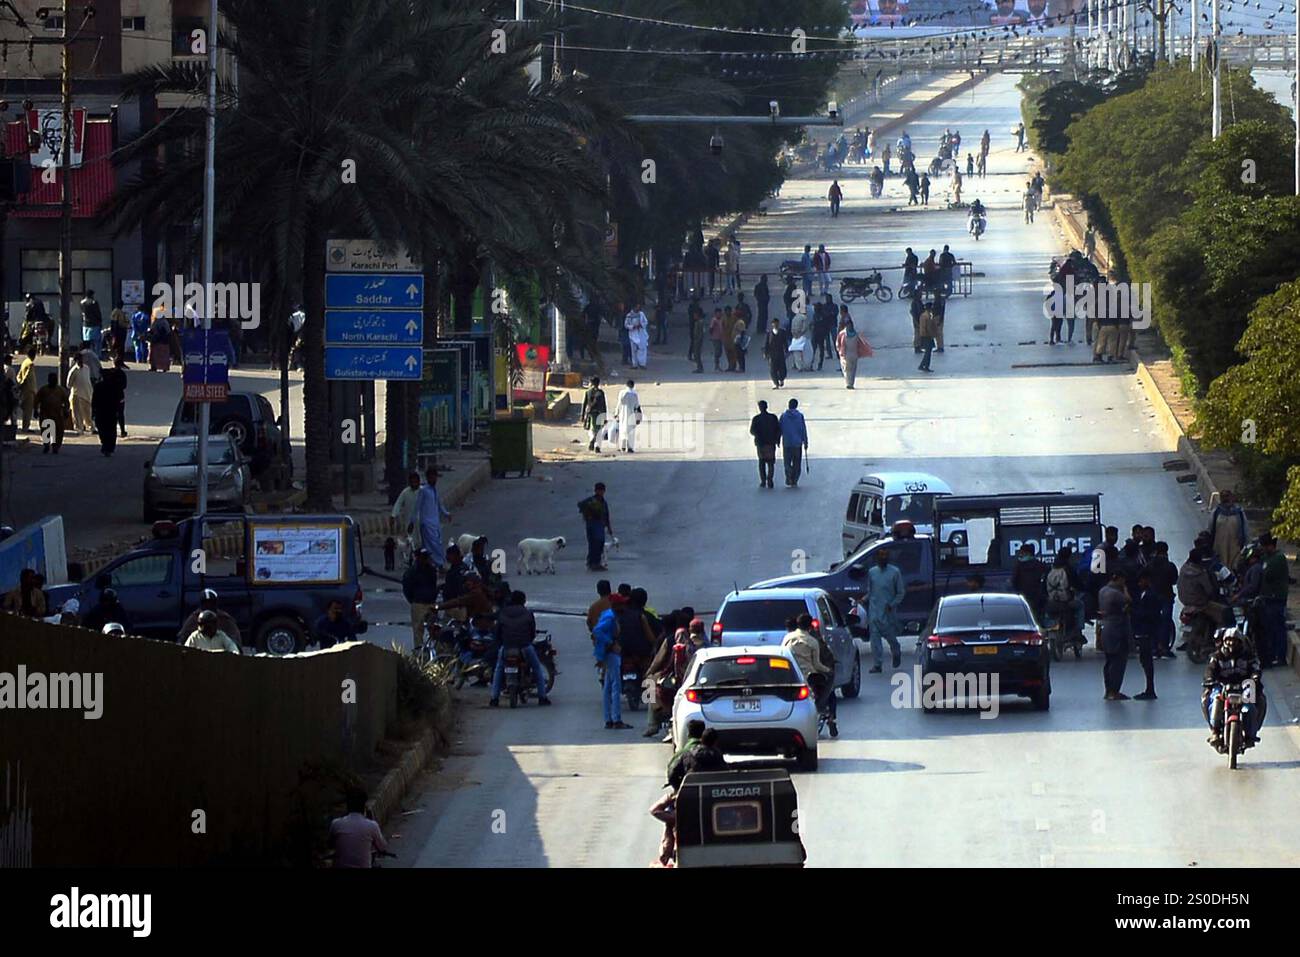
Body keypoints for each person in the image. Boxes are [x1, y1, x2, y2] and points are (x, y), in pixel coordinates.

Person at [1202, 628, 1266, 749]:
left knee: (1251, 706)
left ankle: (1250, 735)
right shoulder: (1216, 657)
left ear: (1240, 642)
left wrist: (1255, 678)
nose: (1231, 643)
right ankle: (1215, 732)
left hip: (1244, 686)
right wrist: (1210, 680)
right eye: (1229, 640)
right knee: (1213, 699)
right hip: (1222, 686)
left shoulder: (1248, 656)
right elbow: (1209, 671)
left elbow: (1256, 669)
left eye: (1235, 640)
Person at [489, 590, 550, 707]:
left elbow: (497, 632)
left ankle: (494, 698)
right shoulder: (528, 613)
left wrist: (501, 643)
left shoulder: (503, 613)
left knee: (499, 669)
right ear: (524, 601)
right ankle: (542, 697)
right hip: (525, 646)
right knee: (537, 668)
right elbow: (532, 632)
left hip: (507, 646)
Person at [782, 614, 837, 736]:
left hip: (791, 676)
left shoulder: (787, 638)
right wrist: (828, 670)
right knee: (831, 691)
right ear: (810, 626)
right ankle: (831, 718)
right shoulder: (813, 641)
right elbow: (817, 664)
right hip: (810, 676)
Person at [592, 595, 631, 729]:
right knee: (616, 686)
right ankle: (616, 719)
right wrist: (611, 643)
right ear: (616, 606)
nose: (624, 607)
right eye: (622, 604)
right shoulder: (610, 617)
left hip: (607, 653)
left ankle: (608, 718)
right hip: (610, 652)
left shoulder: (608, 614)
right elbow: (597, 631)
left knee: (608, 686)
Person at [862, 549, 903, 672]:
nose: (883, 557)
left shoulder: (895, 572)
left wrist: (892, 604)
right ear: (877, 558)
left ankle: (896, 652)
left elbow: (900, 592)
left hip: (887, 613)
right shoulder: (872, 572)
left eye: (885, 555)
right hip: (874, 612)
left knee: (891, 638)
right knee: (875, 640)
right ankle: (877, 664)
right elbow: (871, 591)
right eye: (881, 555)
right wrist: (863, 599)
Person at [329, 788, 389, 868]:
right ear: (364, 806)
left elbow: (331, 844)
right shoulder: (371, 826)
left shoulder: (336, 824)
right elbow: (382, 847)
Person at [1098, 571, 1131, 700]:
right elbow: (1129, 600)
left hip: (1106, 627)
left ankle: (1108, 690)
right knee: (1119, 661)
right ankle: (1114, 690)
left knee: (1109, 661)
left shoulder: (1102, 591)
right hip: (1117, 629)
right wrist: (1125, 589)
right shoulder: (1116, 594)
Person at [1258, 534, 1290, 667]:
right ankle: (1271, 655)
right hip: (1268, 598)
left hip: (1276, 598)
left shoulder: (1278, 559)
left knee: (1277, 628)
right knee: (1270, 628)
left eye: (1264, 546)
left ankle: (1280, 656)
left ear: (1270, 545)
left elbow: (1267, 574)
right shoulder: (1267, 558)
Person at [1130, 570, 1161, 700]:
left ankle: (1150, 689)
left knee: (1147, 661)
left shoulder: (1151, 596)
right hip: (1143, 631)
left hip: (1146, 632)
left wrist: (1135, 612)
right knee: (1145, 661)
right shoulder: (1142, 594)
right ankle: (1149, 688)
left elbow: (1152, 615)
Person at [403, 548, 440, 648]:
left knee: (434, 628)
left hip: (431, 603)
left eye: (427, 557)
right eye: (424, 557)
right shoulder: (411, 572)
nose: (426, 559)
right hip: (418, 603)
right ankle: (419, 652)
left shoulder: (432, 570)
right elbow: (407, 589)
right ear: (418, 558)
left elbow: (433, 585)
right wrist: (414, 600)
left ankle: (435, 649)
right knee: (418, 629)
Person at [416, 466, 451, 565]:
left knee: (437, 543)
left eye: (435, 477)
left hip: (435, 523)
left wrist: (446, 514)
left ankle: (436, 563)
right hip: (426, 523)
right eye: (431, 477)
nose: (434, 479)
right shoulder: (423, 490)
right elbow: (417, 507)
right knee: (431, 545)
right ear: (427, 478)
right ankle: (438, 563)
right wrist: (412, 521)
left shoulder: (435, 491)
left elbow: (440, 505)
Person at [91, 357, 126, 456]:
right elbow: (94, 400)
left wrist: (93, 411)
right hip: (107, 412)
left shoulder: (102, 386)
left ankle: (107, 446)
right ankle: (108, 446)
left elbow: (94, 400)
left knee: (105, 429)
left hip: (105, 412)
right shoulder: (105, 386)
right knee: (109, 429)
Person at [1207, 490, 1248, 571]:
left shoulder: (1239, 513)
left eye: (1227, 496)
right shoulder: (1216, 512)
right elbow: (1210, 529)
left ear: (1232, 498)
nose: (1226, 499)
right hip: (1219, 548)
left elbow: (1245, 530)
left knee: (1234, 568)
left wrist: (1245, 544)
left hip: (1235, 548)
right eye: (1224, 497)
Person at [578, 482, 614, 571]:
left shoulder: (603, 502)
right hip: (592, 525)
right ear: (596, 490)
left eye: (602, 491)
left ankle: (596, 562)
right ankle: (592, 563)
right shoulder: (591, 501)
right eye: (599, 490)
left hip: (600, 526)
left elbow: (606, 515)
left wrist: (609, 527)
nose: (601, 492)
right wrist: (589, 515)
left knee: (600, 544)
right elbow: (580, 505)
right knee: (594, 544)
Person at [390, 470, 422, 560]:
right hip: (409, 522)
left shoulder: (423, 491)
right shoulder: (405, 492)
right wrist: (393, 515)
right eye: (412, 481)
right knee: (411, 541)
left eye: (416, 481)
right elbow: (398, 504)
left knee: (422, 541)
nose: (414, 483)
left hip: (422, 521)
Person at [33, 372, 68, 453]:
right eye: (52, 380)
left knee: (58, 431)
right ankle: (46, 444)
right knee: (45, 430)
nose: (53, 381)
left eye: (55, 380)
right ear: (48, 380)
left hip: (57, 415)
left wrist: (66, 411)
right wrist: (35, 410)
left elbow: (66, 401)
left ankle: (55, 447)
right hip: (45, 414)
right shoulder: (43, 390)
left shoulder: (61, 390)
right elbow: (36, 400)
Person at [750, 399, 782, 489]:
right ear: (767, 407)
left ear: (759, 408)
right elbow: (778, 430)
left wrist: (758, 435)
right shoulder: (773, 417)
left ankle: (763, 481)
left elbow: (752, 431)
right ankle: (770, 479)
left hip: (761, 444)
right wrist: (777, 440)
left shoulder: (756, 419)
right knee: (771, 462)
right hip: (771, 443)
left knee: (762, 462)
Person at [835, 316, 872, 390]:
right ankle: (851, 383)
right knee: (853, 370)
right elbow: (861, 344)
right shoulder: (856, 334)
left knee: (846, 370)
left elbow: (838, 344)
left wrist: (839, 351)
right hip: (854, 354)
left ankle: (848, 383)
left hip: (846, 354)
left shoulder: (842, 334)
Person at [1010, 543, 1047, 615]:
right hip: (1038, 598)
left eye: (1021, 552)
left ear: (1025, 553)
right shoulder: (1040, 565)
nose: (1020, 554)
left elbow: (1014, 581)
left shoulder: (1018, 566)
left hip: (1023, 597)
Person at [779, 398, 807, 488]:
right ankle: (794, 479)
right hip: (797, 443)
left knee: (787, 462)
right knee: (797, 462)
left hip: (787, 442)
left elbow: (780, 429)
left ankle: (789, 475)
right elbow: (803, 429)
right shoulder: (800, 416)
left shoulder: (783, 416)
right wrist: (805, 441)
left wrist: (778, 439)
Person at [581, 376, 607, 452]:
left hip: (590, 413)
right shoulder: (601, 393)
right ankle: (597, 446)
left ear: (591, 383)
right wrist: (605, 416)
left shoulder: (588, 392)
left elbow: (584, 404)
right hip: (599, 413)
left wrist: (582, 415)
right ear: (598, 383)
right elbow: (604, 405)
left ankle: (592, 439)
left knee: (591, 429)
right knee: (599, 430)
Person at [614, 379, 640, 453]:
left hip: (622, 415)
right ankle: (630, 447)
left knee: (622, 430)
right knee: (630, 431)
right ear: (633, 385)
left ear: (626, 385)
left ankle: (622, 446)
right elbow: (637, 406)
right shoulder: (635, 394)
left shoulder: (622, 393)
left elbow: (619, 404)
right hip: (632, 415)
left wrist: (616, 413)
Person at [763, 318, 790, 390]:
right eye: (774, 323)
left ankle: (781, 379)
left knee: (782, 369)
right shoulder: (769, 333)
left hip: (780, 353)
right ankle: (776, 383)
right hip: (772, 354)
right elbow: (767, 344)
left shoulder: (782, 332)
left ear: (778, 323)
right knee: (773, 369)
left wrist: (786, 351)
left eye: (776, 323)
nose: (775, 324)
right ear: (772, 324)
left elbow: (785, 343)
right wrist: (765, 353)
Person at [916, 298, 940, 373]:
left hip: (925, 335)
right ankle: (924, 365)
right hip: (927, 336)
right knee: (928, 352)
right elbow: (928, 327)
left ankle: (924, 365)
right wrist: (933, 334)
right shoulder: (927, 316)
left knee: (928, 352)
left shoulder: (924, 315)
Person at [624, 303, 649, 370]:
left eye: (639, 307)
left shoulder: (641, 314)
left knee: (642, 349)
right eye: (637, 307)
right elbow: (626, 325)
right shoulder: (629, 315)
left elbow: (646, 322)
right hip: (633, 334)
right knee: (633, 350)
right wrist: (633, 327)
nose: (638, 309)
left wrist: (641, 325)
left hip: (641, 334)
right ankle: (634, 364)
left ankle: (642, 364)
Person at [79, 290, 104, 356]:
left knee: (87, 342)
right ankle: (96, 356)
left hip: (85, 325)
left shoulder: (82, 303)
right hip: (95, 324)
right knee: (96, 343)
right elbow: (98, 314)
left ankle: (88, 355)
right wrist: (100, 322)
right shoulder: (94, 303)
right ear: (91, 295)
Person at [689, 296, 706, 374]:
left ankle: (700, 367)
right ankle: (699, 367)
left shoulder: (700, 322)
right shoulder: (697, 322)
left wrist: (698, 340)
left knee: (697, 354)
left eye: (695, 315)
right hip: (696, 339)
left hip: (698, 340)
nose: (694, 316)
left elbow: (701, 332)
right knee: (696, 354)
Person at [707, 307, 725, 372]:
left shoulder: (722, 320)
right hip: (715, 338)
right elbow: (710, 328)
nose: (719, 315)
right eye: (718, 313)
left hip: (720, 337)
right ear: (715, 314)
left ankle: (717, 365)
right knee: (717, 351)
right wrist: (711, 335)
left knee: (720, 351)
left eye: (720, 313)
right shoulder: (714, 320)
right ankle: (716, 366)